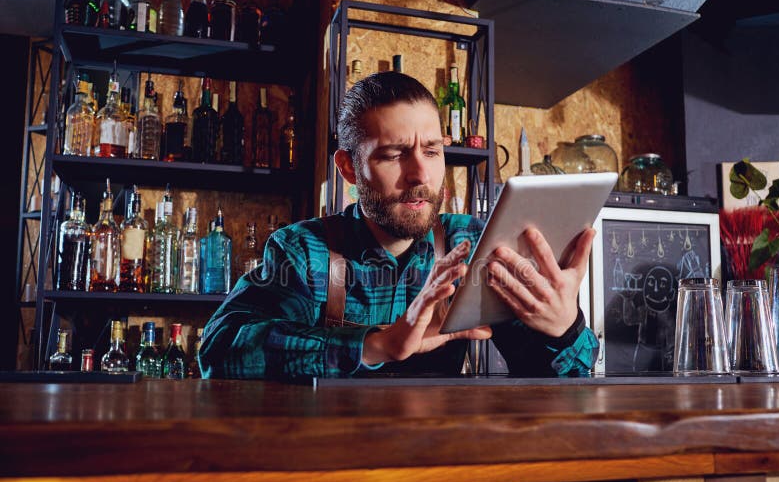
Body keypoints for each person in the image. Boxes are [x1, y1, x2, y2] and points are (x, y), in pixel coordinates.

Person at [198, 72, 598, 380]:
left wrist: (562, 328)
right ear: (349, 168)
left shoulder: (471, 243)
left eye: (432, 150)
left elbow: (558, 380)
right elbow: (217, 352)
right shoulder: (304, 251)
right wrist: (378, 344)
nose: (420, 174)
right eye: (394, 155)